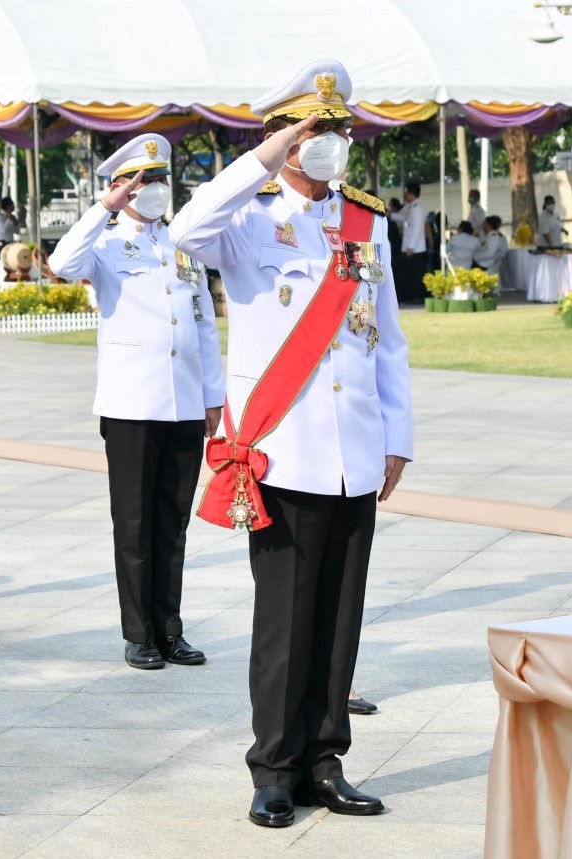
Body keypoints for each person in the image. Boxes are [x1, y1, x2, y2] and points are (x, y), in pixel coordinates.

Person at [169, 59, 413, 829]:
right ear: (280, 138)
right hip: (283, 451)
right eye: (313, 131)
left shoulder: (365, 223)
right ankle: (274, 767)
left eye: (338, 131)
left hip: (354, 451)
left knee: (340, 618)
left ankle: (324, 760)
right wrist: (263, 160)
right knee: (285, 622)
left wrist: (396, 437)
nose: (329, 144)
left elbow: (391, 345)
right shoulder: (245, 222)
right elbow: (185, 228)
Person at [48, 133, 223, 672]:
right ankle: (139, 633)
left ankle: (170, 629)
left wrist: (213, 394)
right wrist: (105, 207)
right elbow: (60, 262)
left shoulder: (182, 243)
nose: (154, 191)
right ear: (122, 187)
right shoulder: (103, 243)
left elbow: (204, 322)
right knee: (134, 521)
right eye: (144, 181)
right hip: (131, 403)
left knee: (172, 520)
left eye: (160, 180)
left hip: (184, 404)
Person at [393, 181, 427, 302]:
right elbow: (404, 218)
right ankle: (414, 295)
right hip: (411, 246)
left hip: (416, 248)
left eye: (407, 193)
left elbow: (417, 228)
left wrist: (411, 247)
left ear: (411, 193)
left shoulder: (417, 208)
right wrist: (391, 215)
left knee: (417, 274)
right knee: (412, 273)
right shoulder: (412, 207)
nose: (406, 196)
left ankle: (419, 296)